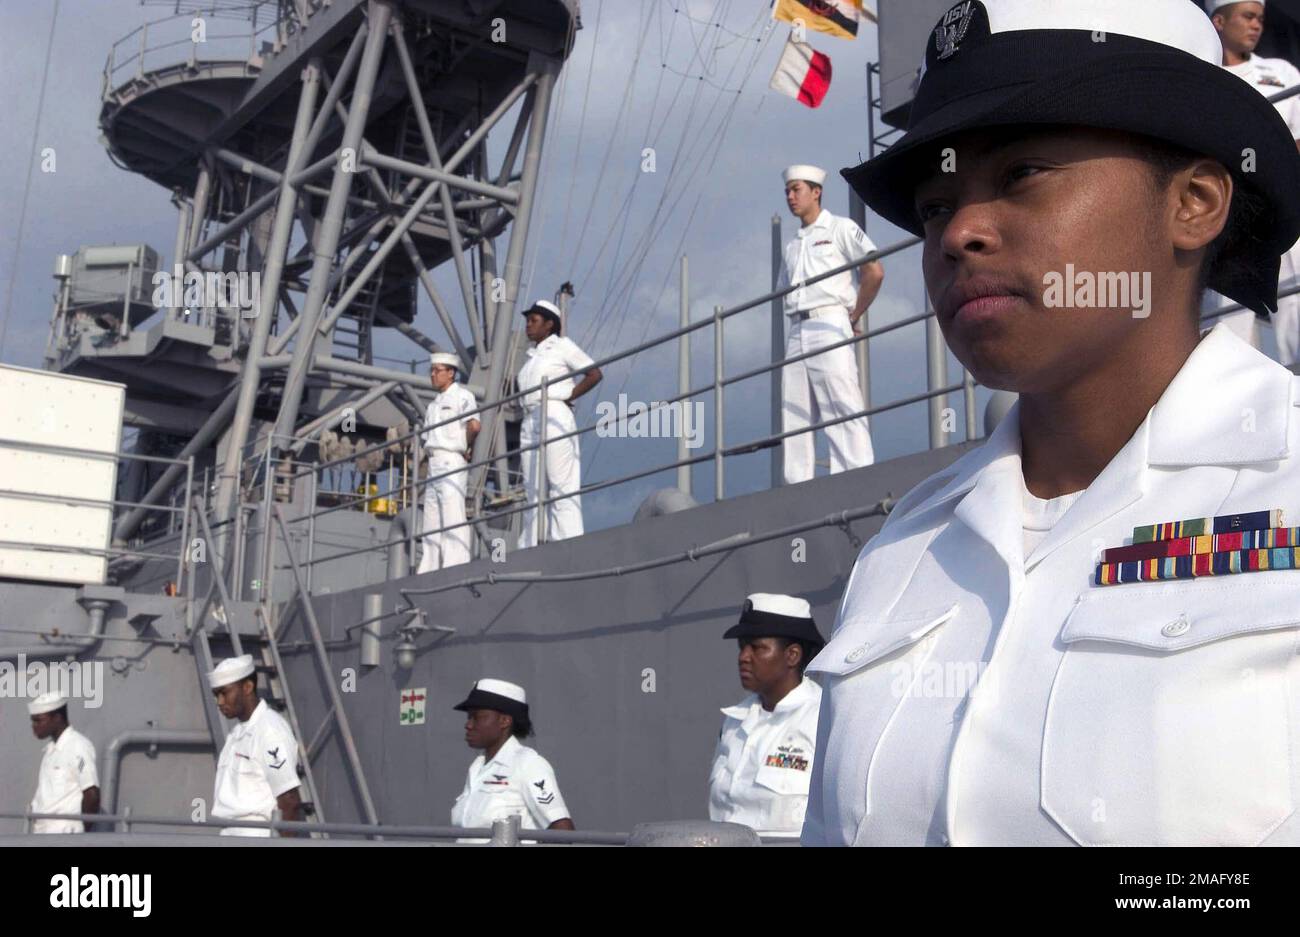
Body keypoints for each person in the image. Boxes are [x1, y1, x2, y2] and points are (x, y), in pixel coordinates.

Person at [803, 0, 1300, 846]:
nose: (958, 233)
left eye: (1024, 172)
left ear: (1196, 202)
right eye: (933, 207)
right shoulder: (902, 550)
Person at [1207, 0, 1300, 364]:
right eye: (1247, 17)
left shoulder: (1281, 73)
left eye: (1260, 18)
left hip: (1286, 203)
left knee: (1295, 307)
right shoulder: (1205, 78)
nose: (1256, 25)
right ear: (1219, 21)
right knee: (1229, 319)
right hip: (1231, 210)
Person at [778, 164, 883, 485]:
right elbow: (783, 289)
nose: (791, 197)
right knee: (793, 410)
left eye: (796, 189)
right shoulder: (792, 245)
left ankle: (855, 474)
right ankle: (797, 483)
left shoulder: (840, 227)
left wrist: (853, 315)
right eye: (787, 191)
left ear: (816, 192)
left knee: (841, 399)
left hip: (831, 319)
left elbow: (874, 271)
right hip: (797, 326)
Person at [708, 594, 824, 835]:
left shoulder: (823, 719)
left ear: (792, 655)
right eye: (742, 647)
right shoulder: (734, 721)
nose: (743, 657)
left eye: (758, 648)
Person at [515, 299, 602, 548]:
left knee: (560, 482)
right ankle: (531, 543)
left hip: (554, 412)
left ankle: (567, 541)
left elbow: (594, 373)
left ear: (549, 324)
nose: (528, 326)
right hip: (530, 417)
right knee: (533, 488)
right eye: (527, 321)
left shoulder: (562, 346)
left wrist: (569, 395)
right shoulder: (531, 358)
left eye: (534, 320)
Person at [450, 678, 575, 833]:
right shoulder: (476, 768)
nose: (468, 724)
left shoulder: (528, 764)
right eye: (469, 717)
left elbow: (562, 830)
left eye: (477, 717)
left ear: (504, 721)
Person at [208, 655, 303, 836]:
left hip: (257, 837)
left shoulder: (269, 730)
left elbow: (289, 800)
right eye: (216, 695)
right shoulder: (236, 734)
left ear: (248, 687)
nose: (219, 702)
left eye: (224, 693)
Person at [417, 351, 480, 573]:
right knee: (431, 517)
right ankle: (429, 566)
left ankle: (456, 564)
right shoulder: (433, 405)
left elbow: (474, 426)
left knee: (453, 512)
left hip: (452, 459)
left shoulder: (462, 396)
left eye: (437, 371)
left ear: (451, 373)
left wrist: (466, 446)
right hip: (434, 462)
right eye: (431, 371)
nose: (433, 375)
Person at [27, 693, 99, 834]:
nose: (34, 726)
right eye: (33, 721)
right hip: (43, 833)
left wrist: (81, 832)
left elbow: (92, 794)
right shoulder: (51, 750)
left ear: (57, 718)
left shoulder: (78, 747)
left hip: (64, 834)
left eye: (39, 721)